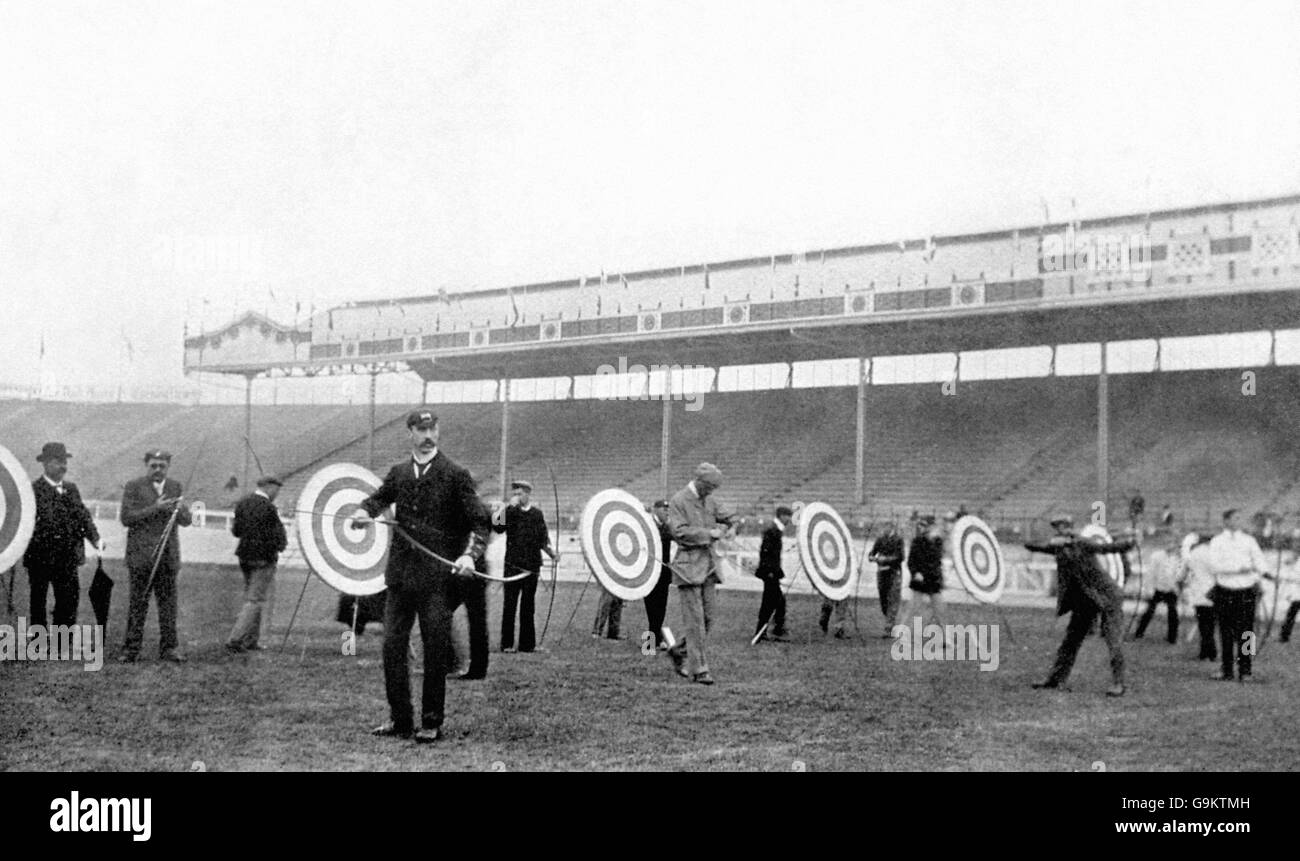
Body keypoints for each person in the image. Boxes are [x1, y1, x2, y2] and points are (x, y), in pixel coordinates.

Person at [352, 409, 489, 742]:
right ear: (410, 433)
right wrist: (363, 511)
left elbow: (480, 522)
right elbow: (379, 498)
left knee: (435, 650)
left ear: (438, 431)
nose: (428, 435)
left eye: (433, 428)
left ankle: (431, 721)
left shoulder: (456, 474)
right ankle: (400, 720)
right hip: (399, 578)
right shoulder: (398, 473)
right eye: (421, 429)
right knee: (392, 649)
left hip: (436, 581)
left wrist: (469, 556)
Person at [1026, 514, 1134, 697]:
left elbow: (1107, 548)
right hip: (1085, 601)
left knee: (1113, 640)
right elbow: (1032, 545)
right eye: (1058, 528)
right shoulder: (1058, 547)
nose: (1061, 530)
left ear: (1070, 527)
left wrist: (1129, 543)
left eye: (1064, 526)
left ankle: (1119, 683)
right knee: (1070, 641)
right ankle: (1055, 679)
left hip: (1107, 597)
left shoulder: (1083, 543)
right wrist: (1038, 538)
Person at [119, 450, 192, 663]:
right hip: (142, 557)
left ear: (167, 467)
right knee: (138, 603)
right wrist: (155, 508)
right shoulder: (134, 486)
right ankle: (131, 649)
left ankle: (170, 648)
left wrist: (180, 511)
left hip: (167, 557)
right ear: (146, 465)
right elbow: (126, 518)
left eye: (162, 465)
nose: (158, 469)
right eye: (153, 465)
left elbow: (185, 520)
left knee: (168, 604)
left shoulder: (175, 487)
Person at [23, 442, 104, 632]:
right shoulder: (32, 490)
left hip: (67, 556)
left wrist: (96, 539)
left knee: (68, 598)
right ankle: (39, 642)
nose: (63, 466)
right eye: (57, 461)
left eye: (64, 461)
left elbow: (83, 516)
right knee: (38, 600)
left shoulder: (71, 489)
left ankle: (62, 642)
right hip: (39, 557)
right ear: (45, 464)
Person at [666, 462, 736, 684]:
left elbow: (730, 518)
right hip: (688, 568)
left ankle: (679, 650)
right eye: (709, 487)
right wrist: (710, 533)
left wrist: (727, 529)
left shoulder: (711, 500)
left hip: (709, 567)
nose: (711, 492)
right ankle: (700, 669)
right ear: (699, 482)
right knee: (695, 620)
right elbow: (679, 532)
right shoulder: (678, 501)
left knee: (707, 618)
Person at [225, 475, 287, 653]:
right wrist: (280, 546)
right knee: (255, 600)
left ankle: (251, 639)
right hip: (264, 559)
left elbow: (236, 532)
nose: (277, 492)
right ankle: (235, 639)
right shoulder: (269, 507)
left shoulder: (243, 502)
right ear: (268, 487)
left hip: (244, 557)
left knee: (253, 599)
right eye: (276, 489)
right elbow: (279, 537)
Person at [493, 479, 557, 653]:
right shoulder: (511, 512)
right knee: (510, 605)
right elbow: (497, 527)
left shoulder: (537, 514)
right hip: (512, 566)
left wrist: (552, 553)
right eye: (514, 493)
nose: (516, 496)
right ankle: (506, 644)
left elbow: (543, 538)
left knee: (528, 606)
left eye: (519, 493)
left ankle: (527, 645)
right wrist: (506, 508)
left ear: (528, 494)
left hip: (531, 567)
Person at [1207, 508, 1269, 682]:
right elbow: (1213, 566)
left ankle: (1246, 670)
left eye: (1240, 518)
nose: (1238, 521)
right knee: (1226, 632)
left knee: (1247, 633)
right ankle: (1226, 669)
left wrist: (1263, 573)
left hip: (1246, 591)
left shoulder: (1249, 540)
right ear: (1226, 521)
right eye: (1235, 518)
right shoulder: (1217, 541)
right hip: (1225, 590)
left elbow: (1260, 561)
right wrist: (1237, 569)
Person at [753, 506, 792, 643]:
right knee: (771, 603)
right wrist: (769, 571)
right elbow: (766, 553)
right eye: (788, 516)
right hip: (770, 573)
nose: (789, 519)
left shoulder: (776, 529)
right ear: (781, 516)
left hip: (772, 572)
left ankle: (775, 630)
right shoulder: (773, 530)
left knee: (778, 602)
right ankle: (764, 632)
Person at [1133, 534, 1182, 644]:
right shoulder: (1157, 556)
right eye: (1168, 543)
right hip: (1157, 588)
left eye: (1173, 543)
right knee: (1149, 611)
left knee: (1173, 612)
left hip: (1170, 589)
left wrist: (1176, 588)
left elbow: (1177, 574)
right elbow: (1151, 573)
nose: (1171, 545)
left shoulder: (1176, 558)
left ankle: (1172, 638)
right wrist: (1149, 589)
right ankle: (1139, 632)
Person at [1181, 533, 1218, 660]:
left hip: (1199, 593)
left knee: (1204, 624)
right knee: (1211, 625)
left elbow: (1184, 571)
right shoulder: (1214, 553)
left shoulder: (1194, 554)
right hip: (1214, 593)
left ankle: (1206, 652)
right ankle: (1210, 652)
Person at [642, 499, 674, 649]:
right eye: (663, 509)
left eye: (668, 509)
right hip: (650, 572)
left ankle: (655, 638)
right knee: (652, 606)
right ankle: (652, 640)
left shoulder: (667, 527)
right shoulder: (649, 526)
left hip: (664, 573)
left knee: (661, 606)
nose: (666, 512)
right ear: (656, 509)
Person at [905, 516, 947, 627]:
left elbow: (937, 561)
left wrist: (939, 577)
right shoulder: (917, 541)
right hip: (920, 581)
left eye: (924, 525)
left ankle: (946, 638)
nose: (921, 528)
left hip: (933, 581)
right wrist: (916, 573)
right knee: (913, 608)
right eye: (921, 525)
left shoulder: (937, 542)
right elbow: (911, 561)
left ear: (931, 527)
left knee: (940, 610)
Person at [869, 519, 905, 637]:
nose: (884, 530)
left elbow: (901, 556)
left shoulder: (898, 540)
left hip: (894, 572)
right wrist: (873, 558)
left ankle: (888, 627)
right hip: (881, 573)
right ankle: (889, 622)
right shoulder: (880, 540)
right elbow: (871, 553)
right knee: (883, 601)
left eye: (887, 527)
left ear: (891, 528)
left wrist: (886, 559)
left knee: (893, 600)